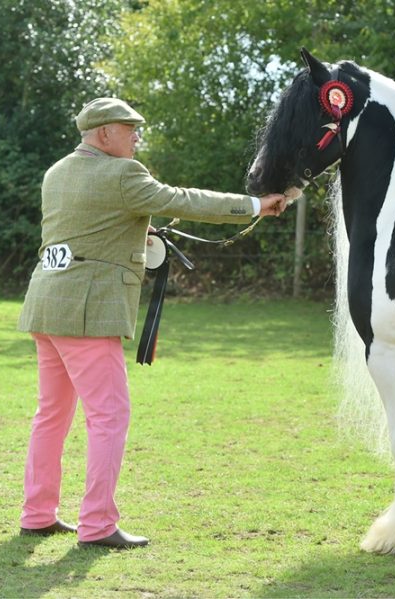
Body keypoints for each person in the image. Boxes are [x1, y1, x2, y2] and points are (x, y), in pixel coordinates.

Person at [17, 97, 287, 549]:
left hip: (46, 304)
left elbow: (85, 226)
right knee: (109, 416)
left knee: (51, 415)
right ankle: (97, 525)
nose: (137, 137)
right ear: (105, 133)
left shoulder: (57, 171)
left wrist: (133, 232)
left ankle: (37, 514)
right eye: (130, 129)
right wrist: (254, 205)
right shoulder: (123, 174)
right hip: (88, 311)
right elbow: (182, 200)